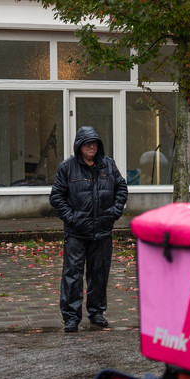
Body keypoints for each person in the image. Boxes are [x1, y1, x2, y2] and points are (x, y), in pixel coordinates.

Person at [49, 126, 128, 333]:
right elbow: (56, 197)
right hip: (76, 232)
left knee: (99, 274)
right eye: (87, 143)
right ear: (79, 146)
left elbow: (121, 187)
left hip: (102, 230)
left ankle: (97, 312)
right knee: (72, 275)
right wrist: (71, 218)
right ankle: (71, 317)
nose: (91, 146)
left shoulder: (108, 165)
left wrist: (114, 212)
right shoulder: (67, 167)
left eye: (94, 143)